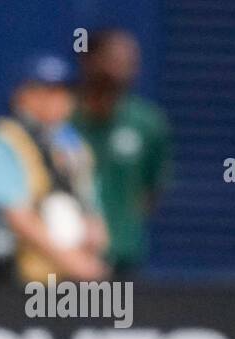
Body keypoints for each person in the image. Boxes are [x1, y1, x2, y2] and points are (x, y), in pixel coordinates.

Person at [0, 54, 109, 284]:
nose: (60, 100)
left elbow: (90, 202)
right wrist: (71, 261)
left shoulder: (71, 141)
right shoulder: (3, 140)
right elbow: (17, 215)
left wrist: (93, 240)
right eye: (48, 92)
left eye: (64, 92)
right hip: (10, 275)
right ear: (23, 95)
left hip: (64, 276)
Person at [74, 28, 171, 276]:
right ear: (88, 60)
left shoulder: (149, 123)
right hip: (63, 255)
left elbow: (151, 190)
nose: (121, 70)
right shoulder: (63, 119)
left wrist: (121, 227)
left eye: (130, 62)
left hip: (124, 256)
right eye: (112, 60)